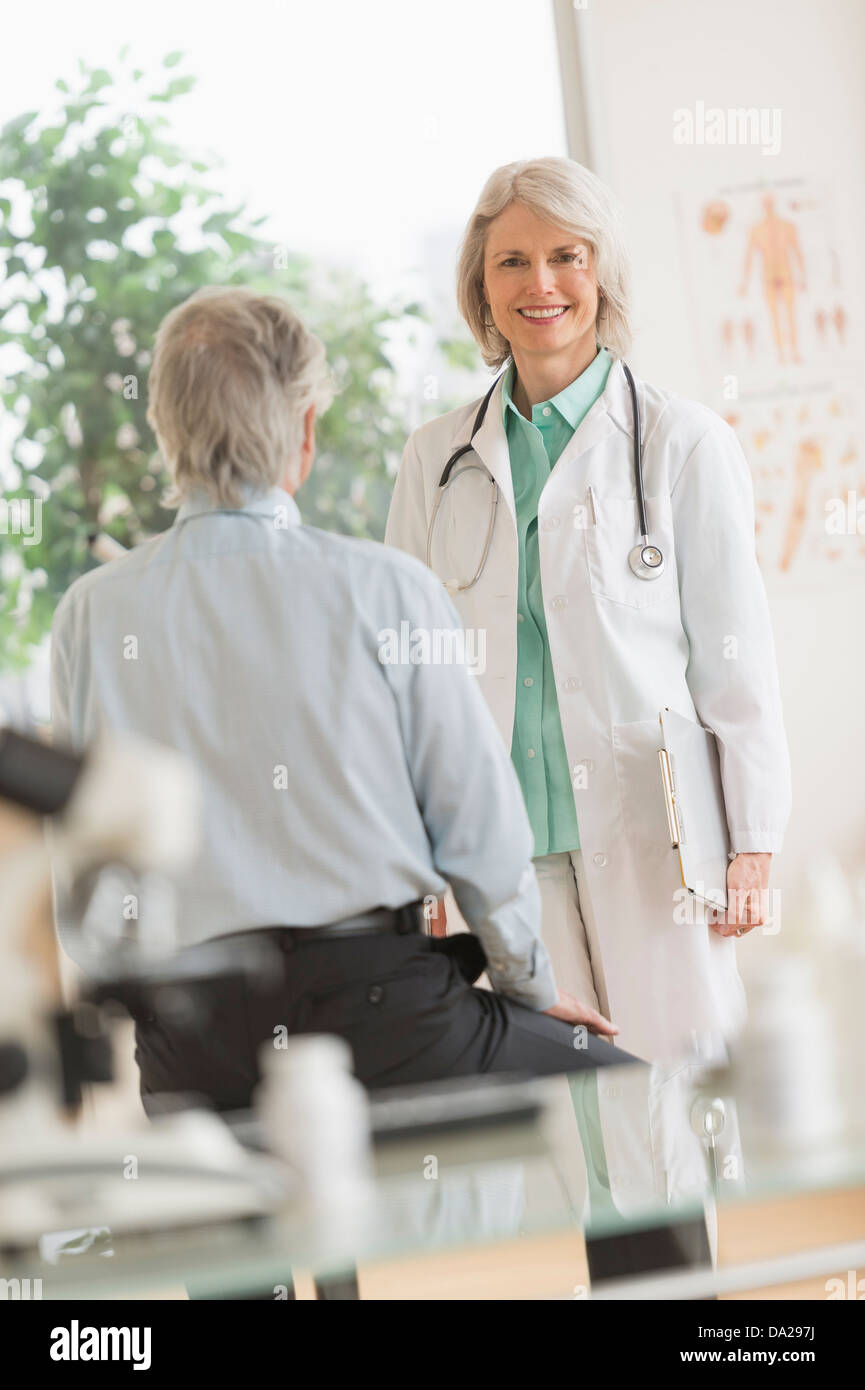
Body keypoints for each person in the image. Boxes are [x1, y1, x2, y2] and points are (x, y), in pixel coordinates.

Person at [49, 285, 638, 1118]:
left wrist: (133, 1004)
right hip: (384, 1019)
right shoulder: (384, 588)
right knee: (628, 1096)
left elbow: (84, 864)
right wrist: (526, 985)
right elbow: (476, 825)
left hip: (194, 1040)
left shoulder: (90, 614)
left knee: (240, 1225)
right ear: (304, 432)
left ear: (165, 430)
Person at [385, 156, 792, 1069]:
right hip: (500, 858)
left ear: (600, 271)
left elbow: (736, 662)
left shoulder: (683, 443)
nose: (541, 285)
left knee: (677, 1107)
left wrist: (753, 842)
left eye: (566, 256)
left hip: (654, 836)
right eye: (511, 262)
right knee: (552, 1126)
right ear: (480, 289)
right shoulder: (434, 458)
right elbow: (406, 680)